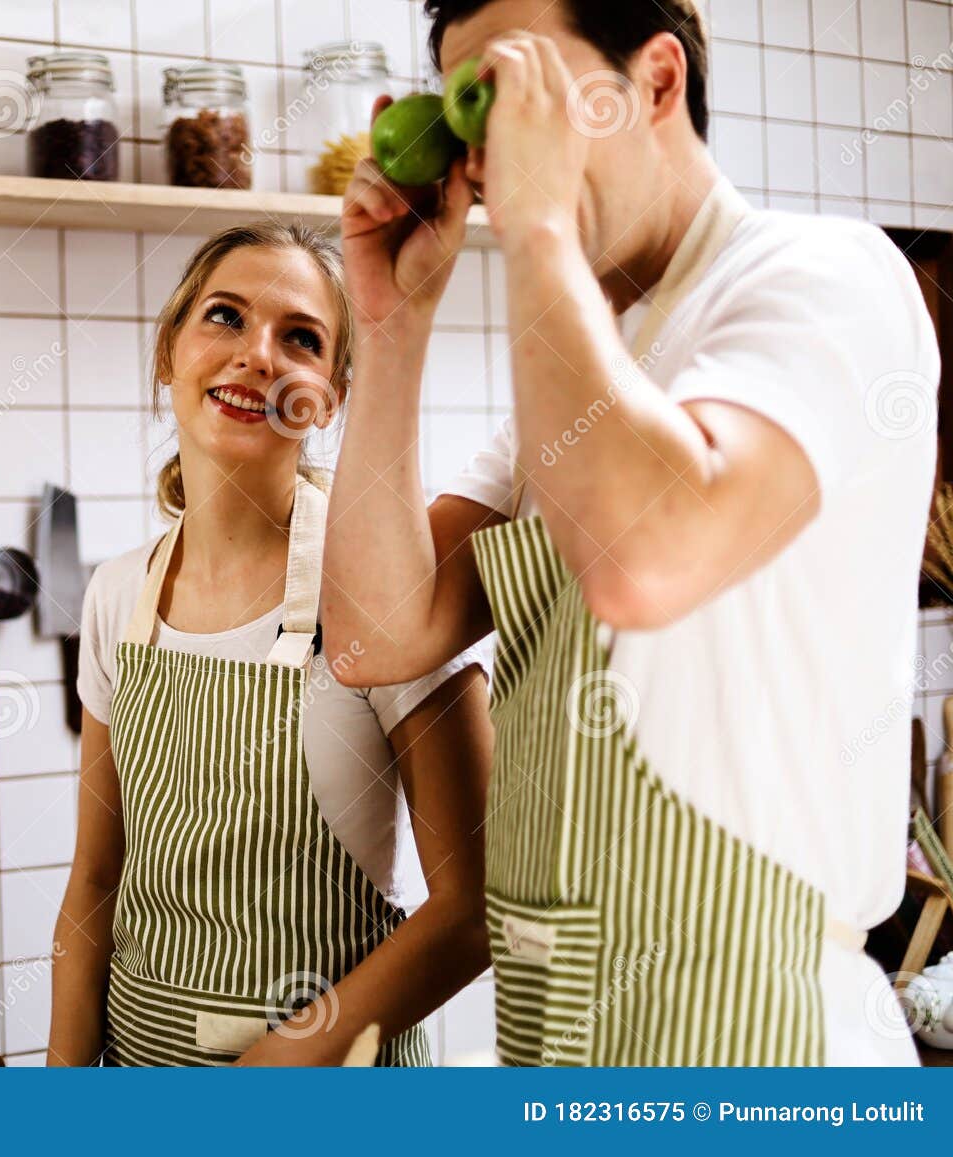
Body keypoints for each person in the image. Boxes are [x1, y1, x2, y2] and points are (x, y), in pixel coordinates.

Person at [323, 0, 939, 1066]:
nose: (487, 148)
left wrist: (538, 224)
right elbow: (379, 634)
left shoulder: (820, 276)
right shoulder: (579, 380)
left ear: (655, 83)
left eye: (523, 91)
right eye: (477, 110)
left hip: (758, 1039)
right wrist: (389, 327)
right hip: (561, 1027)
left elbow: (646, 558)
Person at [47, 222, 494, 1066]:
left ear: (329, 394)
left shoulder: (383, 597)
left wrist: (270, 1076)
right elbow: (96, 882)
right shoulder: (118, 596)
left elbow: (475, 908)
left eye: (300, 337)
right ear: (167, 355)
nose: (259, 355)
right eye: (224, 317)